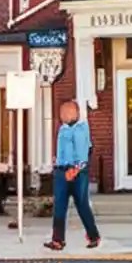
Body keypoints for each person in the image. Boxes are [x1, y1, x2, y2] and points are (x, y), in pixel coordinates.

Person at [44, 100, 100, 250]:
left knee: (82, 204)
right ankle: (57, 239)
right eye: (61, 112)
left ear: (75, 113)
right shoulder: (63, 129)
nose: (62, 115)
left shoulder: (80, 129)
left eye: (66, 112)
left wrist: (75, 170)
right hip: (61, 170)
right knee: (59, 206)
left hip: (77, 172)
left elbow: (83, 153)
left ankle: (93, 235)